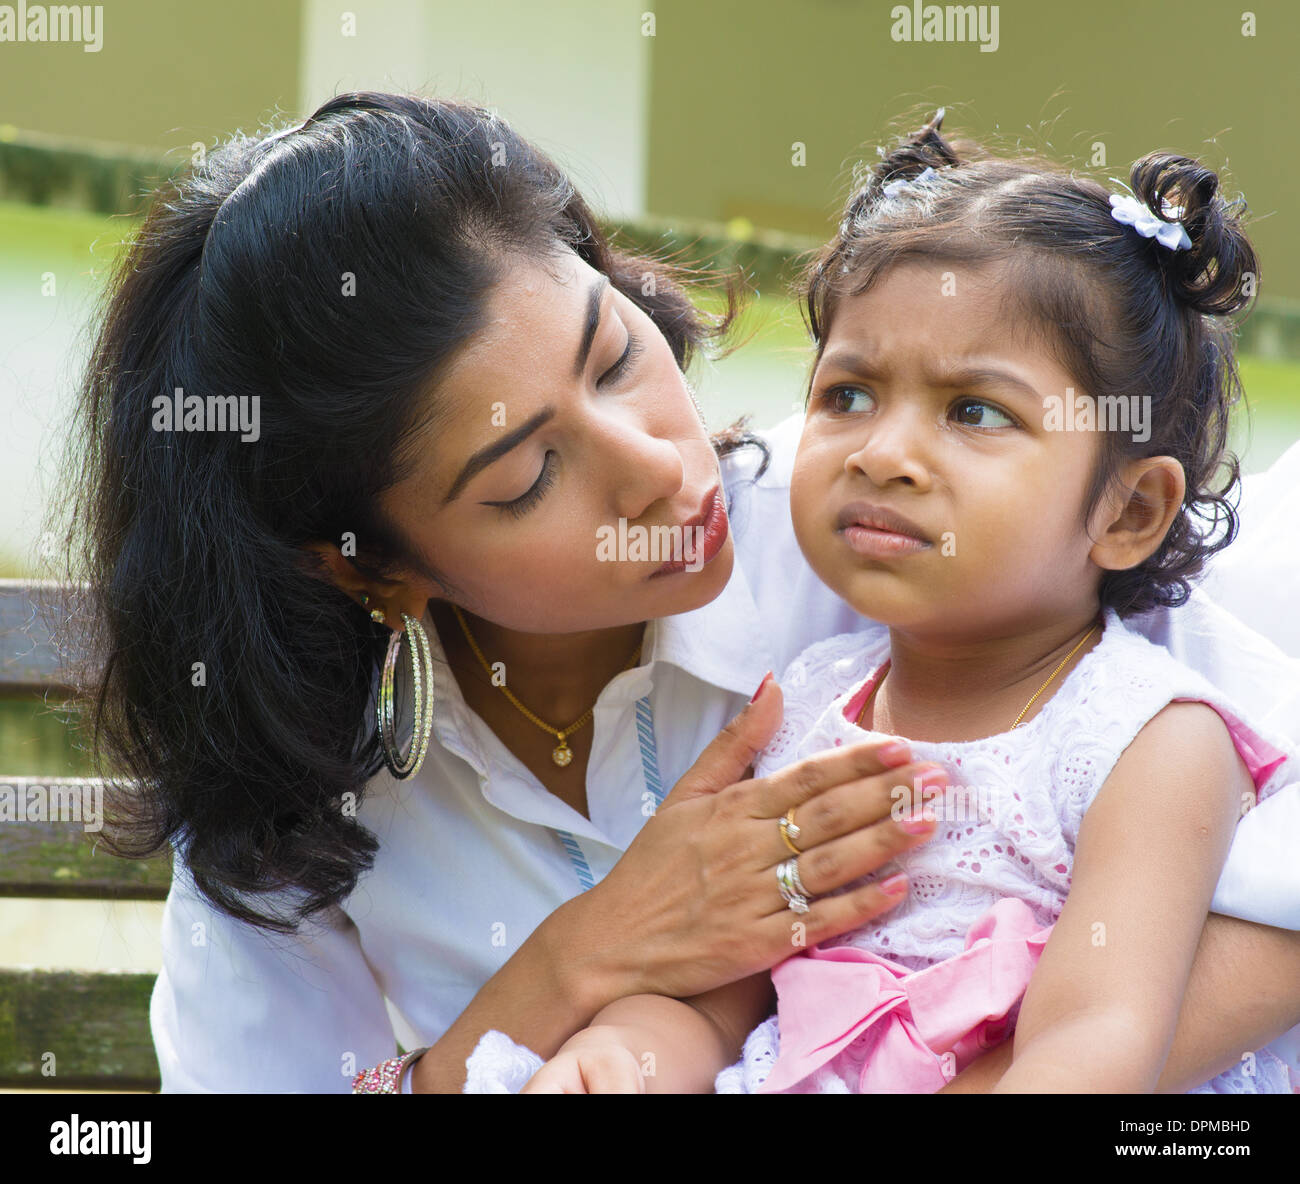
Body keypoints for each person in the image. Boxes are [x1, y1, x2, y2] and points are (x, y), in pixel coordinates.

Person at [52, 93, 1300, 1094]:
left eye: (612, 356)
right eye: (532, 471)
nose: (660, 463)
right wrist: (575, 962)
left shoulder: (909, 549)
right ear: (370, 564)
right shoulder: (296, 793)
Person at [504, 112, 1300, 1094]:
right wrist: (623, 1054)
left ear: (1128, 509)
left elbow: (1093, 1038)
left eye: (974, 410)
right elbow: (721, 993)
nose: (881, 452)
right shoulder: (805, 700)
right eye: (848, 395)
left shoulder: (1148, 736)